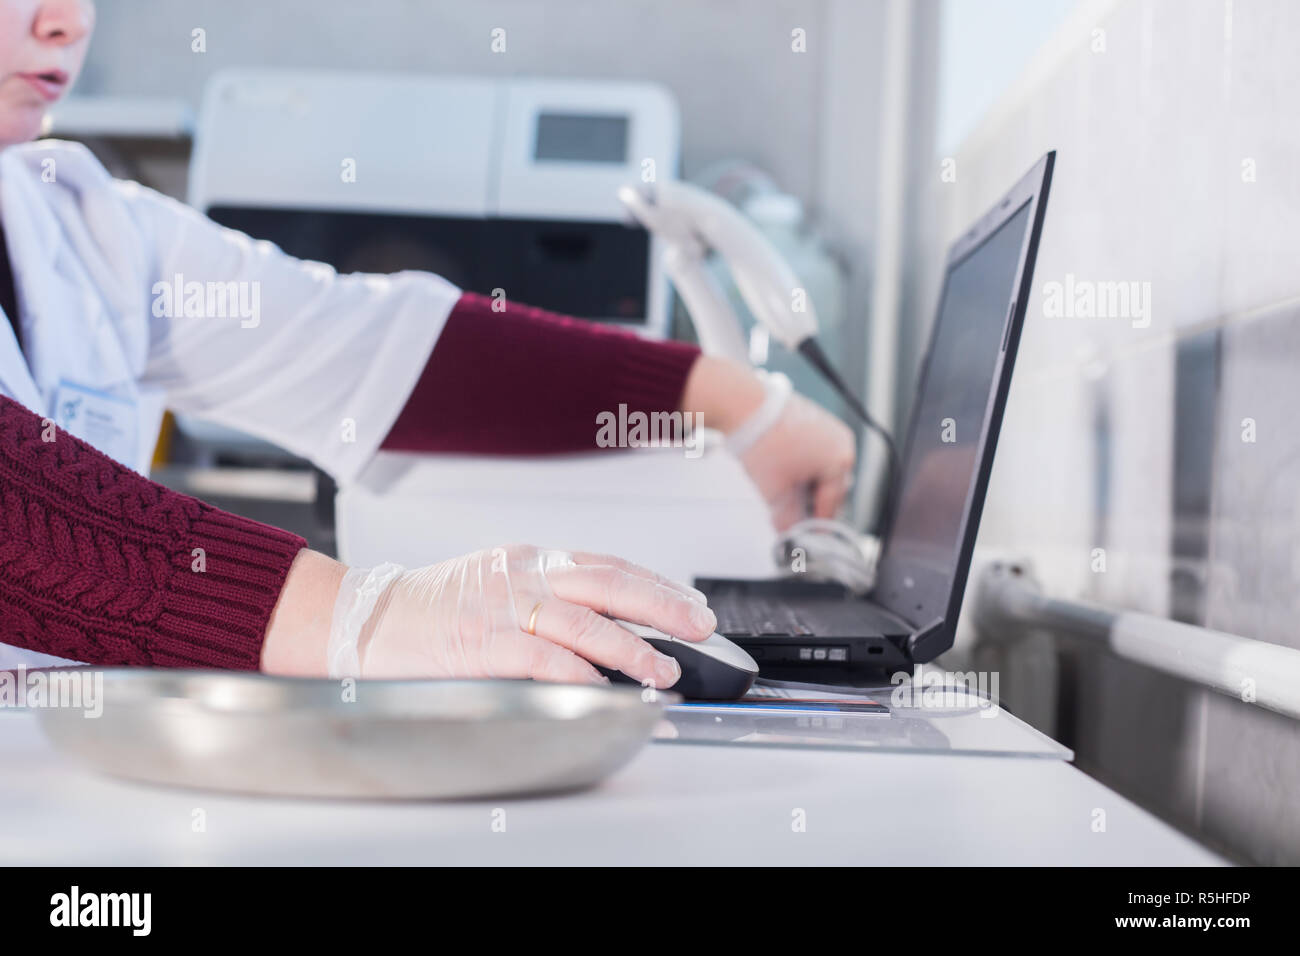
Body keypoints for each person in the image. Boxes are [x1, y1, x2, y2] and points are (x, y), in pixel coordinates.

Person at [0, 0, 855, 689]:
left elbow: (380, 351)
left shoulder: (75, 223)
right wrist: (368, 615)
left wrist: (741, 405)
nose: (68, 19)